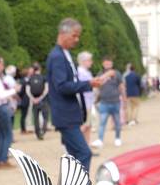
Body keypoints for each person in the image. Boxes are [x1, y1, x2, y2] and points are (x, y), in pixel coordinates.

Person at [46, 18, 112, 172]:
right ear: (63, 33)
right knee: (84, 153)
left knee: (75, 156)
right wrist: (88, 84)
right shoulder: (57, 56)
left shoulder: (65, 54)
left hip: (70, 113)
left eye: (78, 36)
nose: (77, 39)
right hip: (65, 115)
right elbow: (62, 86)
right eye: (74, 36)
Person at [95, 56, 125, 147]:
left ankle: (118, 138)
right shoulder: (100, 74)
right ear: (103, 64)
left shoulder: (117, 74)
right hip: (104, 102)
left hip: (115, 101)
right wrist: (96, 99)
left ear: (112, 64)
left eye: (109, 63)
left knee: (117, 122)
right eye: (106, 63)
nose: (108, 65)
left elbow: (121, 86)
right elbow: (97, 87)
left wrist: (124, 98)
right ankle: (100, 140)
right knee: (102, 123)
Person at [77, 51, 96, 149]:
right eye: (89, 60)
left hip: (89, 102)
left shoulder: (86, 72)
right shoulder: (80, 72)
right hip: (84, 103)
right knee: (84, 125)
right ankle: (75, 145)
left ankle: (87, 147)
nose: (91, 62)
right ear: (83, 61)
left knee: (88, 125)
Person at [26, 61, 49, 138]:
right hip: (43, 100)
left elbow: (27, 90)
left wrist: (33, 98)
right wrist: (40, 97)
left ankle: (38, 133)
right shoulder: (44, 77)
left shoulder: (30, 79)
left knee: (36, 118)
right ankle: (43, 130)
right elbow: (46, 89)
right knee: (45, 116)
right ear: (40, 69)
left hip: (34, 101)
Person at [15, 64, 31, 134]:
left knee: (23, 115)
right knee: (23, 115)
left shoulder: (20, 81)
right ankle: (23, 129)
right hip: (24, 100)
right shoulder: (24, 82)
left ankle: (23, 128)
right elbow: (21, 91)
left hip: (22, 99)